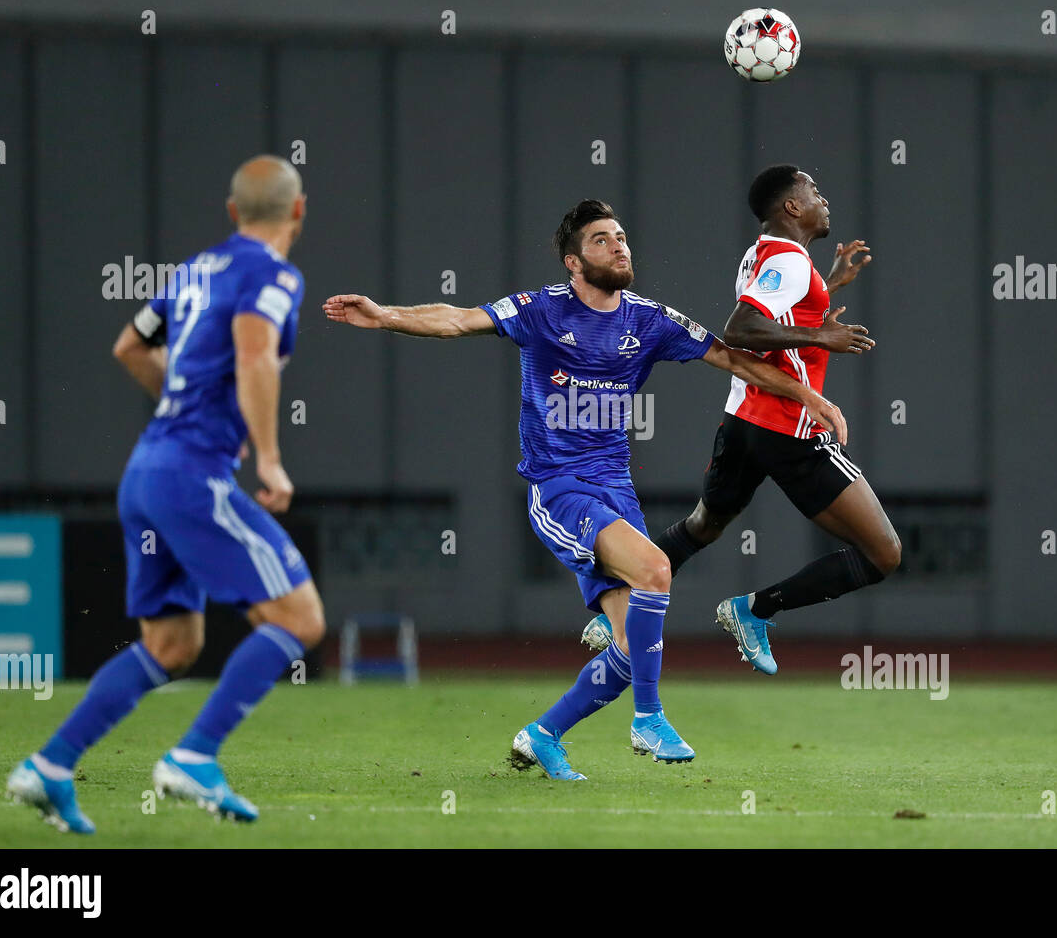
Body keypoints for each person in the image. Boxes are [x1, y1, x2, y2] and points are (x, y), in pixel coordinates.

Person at [323, 199, 848, 779]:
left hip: (616, 490)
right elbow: (456, 318)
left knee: (629, 646)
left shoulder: (649, 320)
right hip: (559, 488)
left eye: (621, 236)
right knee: (655, 571)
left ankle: (541, 735)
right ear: (573, 262)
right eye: (601, 240)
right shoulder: (540, 310)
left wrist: (810, 396)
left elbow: (733, 358)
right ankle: (648, 718)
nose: (619, 246)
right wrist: (384, 314)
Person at [7, 155, 325, 833]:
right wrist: (268, 458)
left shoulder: (190, 273)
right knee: (300, 620)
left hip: (145, 473)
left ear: (232, 212)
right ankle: (195, 755)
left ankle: (51, 766)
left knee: (173, 646)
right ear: (298, 211)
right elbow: (255, 354)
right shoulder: (273, 274)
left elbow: (128, 346)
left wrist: (185, 408)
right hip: (190, 477)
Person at [582, 165, 899, 674]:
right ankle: (753, 610)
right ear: (791, 206)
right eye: (813, 190)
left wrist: (829, 288)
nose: (823, 198)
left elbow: (776, 316)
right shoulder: (791, 261)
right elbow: (742, 327)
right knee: (884, 554)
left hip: (742, 421)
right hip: (787, 427)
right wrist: (822, 338)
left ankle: (612, 602)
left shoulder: (763, 253)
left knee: (704, 525)